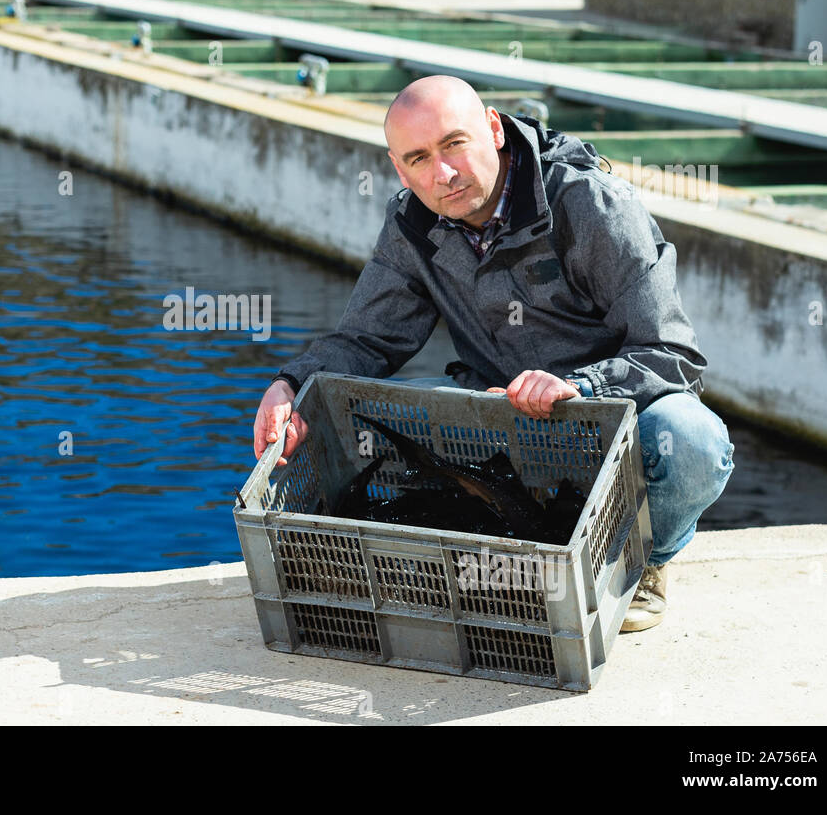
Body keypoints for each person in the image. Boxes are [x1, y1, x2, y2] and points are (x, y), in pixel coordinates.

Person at [252, 75, 734, 632]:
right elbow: (367, 339)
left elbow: (671, 352)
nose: (443, 174)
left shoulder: (592, 204)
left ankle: (642, 563)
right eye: (419, 158)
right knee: (384, 422)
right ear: (398, 167)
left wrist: (582, 386)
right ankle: (495, 559)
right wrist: (289, 385)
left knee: (693, 442)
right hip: (499, 418)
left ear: (495, 129)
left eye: (454, 143)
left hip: (615, 417)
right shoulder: (413, 223)